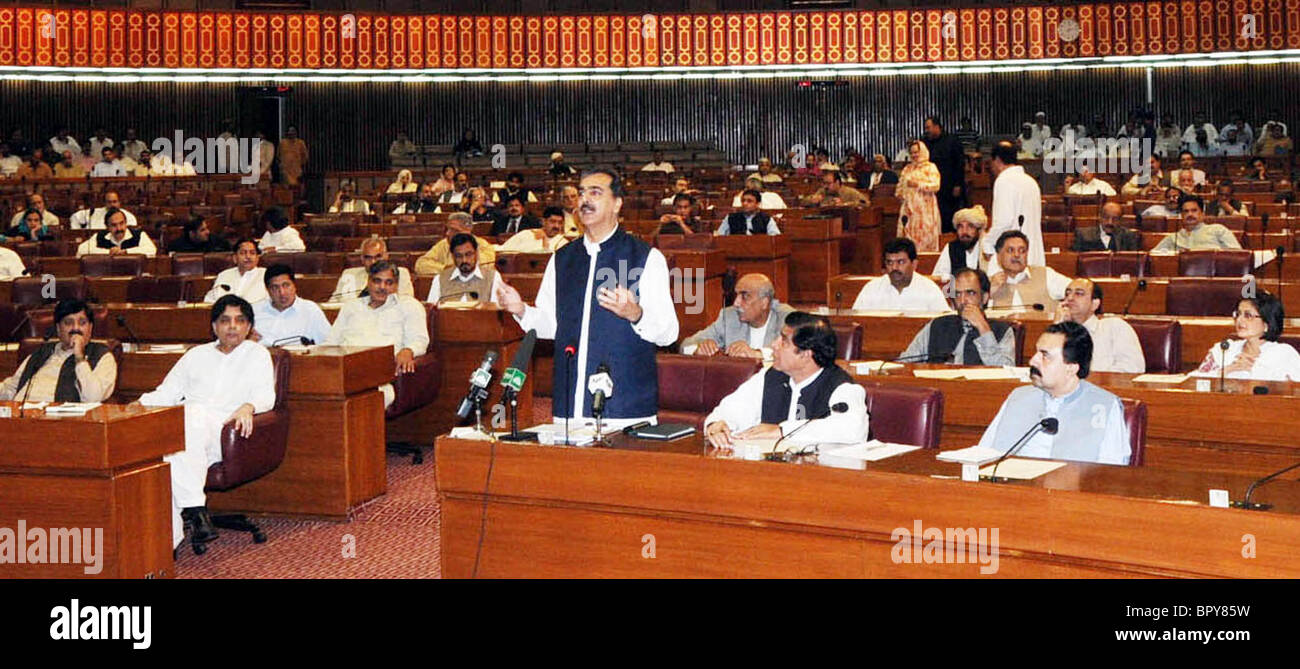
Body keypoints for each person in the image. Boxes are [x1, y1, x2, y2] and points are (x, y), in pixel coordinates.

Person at [496, 168, 679, 427]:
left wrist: (635, 314)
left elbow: (669, 333)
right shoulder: (562, 259)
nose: (584, 200)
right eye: (581, 193)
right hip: (570, 404)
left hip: (626, 404)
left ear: (617, 204)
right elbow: (551, 327)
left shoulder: (645, 257)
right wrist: (521, 310)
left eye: (595, 192)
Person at [137, 295, 277, 547]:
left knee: (187, 418)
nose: (232, 326)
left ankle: (193, 509)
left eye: (239, 320)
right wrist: (138, 405)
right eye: (225, 320)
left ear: (249, 326)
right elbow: (167, 392)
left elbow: (266, 395)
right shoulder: (196, 355)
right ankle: (168, 541)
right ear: (214, 327)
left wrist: (248, 406)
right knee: (165, 457)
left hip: (225, 431)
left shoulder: (257, 354)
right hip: (189, 433)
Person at [703, 312, 868, 450]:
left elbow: (854, 428)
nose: (774, 345)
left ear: (805, 354)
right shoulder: (770, 376)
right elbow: (732, 408)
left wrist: (782, 430)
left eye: (784, 341)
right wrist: (716, 425)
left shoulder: (841, 386)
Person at [977, 321, 1132, 465]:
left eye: (1045, 356)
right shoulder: (1018, 397)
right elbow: (984, 453)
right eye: (1036, 352)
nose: (1033, 361)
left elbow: (1112, 470)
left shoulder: (1104, 406)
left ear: (1071, 368)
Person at [323, 260, 430, 408]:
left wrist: (408, 350)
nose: (382, 287)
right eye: (377, 281)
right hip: (344, 372)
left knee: (363, 399)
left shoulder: (409, 306)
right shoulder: (351, 307)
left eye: (389, 282)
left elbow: (419, 340)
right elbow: (330, 343)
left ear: (396, 285)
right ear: (368, 282)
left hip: (379, 379)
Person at [0, 299, 117, 402]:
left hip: (61, 422)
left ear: (90, 328)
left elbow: (93, 397)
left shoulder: (102, 356)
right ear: (58, 329)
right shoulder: (41, 352)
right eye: (68, 323)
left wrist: (80, 358)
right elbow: (11, 388)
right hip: (21, 414)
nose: (75, 328)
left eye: (82, 323)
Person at [899, 268, 1015, 366]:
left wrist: (983, 328)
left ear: (984, 298)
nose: (963, 300)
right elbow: (906, 361)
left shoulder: (1002, 331)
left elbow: (1006, 369)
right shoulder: (937, 325)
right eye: (957, 294)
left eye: (970, 293)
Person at [682, 273, 794, 358]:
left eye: (745, 296)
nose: (736, 303)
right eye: (737, 295)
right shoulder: (730, 316)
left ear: (764, 302)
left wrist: (756, 354)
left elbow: (796, 352)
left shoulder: (787, 318)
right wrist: (697, 349)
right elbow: (685, 345)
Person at [1192, 293, 1300, 382]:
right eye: (1238, 314)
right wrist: (1227, 370)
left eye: (1248, 316)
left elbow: (1294, 390)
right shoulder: (1224, 349)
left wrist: (1254, 369)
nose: (1239, 320)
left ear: (1267, 324)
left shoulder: (1284, 354)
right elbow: (1192, 381)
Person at [1054, 278, 1145, 373]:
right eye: (1067, 294)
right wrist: (1057, 328)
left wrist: (1091, 380)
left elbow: (1133, 368)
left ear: (1095, 304)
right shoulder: (1062, 333)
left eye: (1079, 294)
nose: (1070, 298)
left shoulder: (1115, 327)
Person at [984, 140, 1044, 268]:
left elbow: (1004, 221)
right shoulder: (1031, 181)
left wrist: (988, 244)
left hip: (1013, 255)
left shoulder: (1004, 181)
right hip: (1032, 252)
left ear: (997, 160)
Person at [851, 238, 950, 313]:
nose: (894, 267)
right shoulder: (872, 288)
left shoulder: (929, 289)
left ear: (914, 264)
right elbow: (856, 321)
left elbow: (945, 322)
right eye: (889, 262)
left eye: (900, 262)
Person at [251, 265, 332, 347]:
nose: (282, 292)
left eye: (286, 285)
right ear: (267, 290)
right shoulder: (254, 311)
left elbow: (328, 344)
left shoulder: (310, 310)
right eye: (275, 287)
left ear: (294, 286)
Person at [988, 230, 1070, 311]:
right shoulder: (988, 283)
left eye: (1022, 251)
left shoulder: (1045, 275)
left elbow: (1077, 289)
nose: (1017, 255)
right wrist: (988, 294)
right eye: (1010, 250)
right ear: (998, 257)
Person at [426, 233, 504, 305]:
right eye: (459, 256)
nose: (464, 260)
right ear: (453, 256)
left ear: (476, 253)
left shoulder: (492, 277)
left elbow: (496, 312)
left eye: (468, 254)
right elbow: (432, 311)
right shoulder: (440, 279)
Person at [330, 238, 414, 302]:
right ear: (362, 259)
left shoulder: (401, 274)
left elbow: (407, 304)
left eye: (378, 257)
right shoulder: (349, 275)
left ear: (386, 256)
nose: (373, 262)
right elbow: (332, 304)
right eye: (368, 257)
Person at [1151, 195, 1242, 253]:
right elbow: (1154, 256)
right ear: (1181, 215)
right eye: (1186, 211)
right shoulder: (1173, 238)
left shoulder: (1218, 230)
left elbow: (1238, 255)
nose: (1190, 214)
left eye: (1194, 210)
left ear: (1202, 213)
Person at [922, 116, 967, 233]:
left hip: (949, 186)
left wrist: (958, 185)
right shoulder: (925, 143)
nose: (926, 131)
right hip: (932, 188)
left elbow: (959, 163)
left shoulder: (952, 141)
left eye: (928, 127)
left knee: (949, 218)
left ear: (937, 127)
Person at [414, 212, 497, 275]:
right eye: (448, 229)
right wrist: (445, 269)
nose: (447, 233)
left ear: (468, 230)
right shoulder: (444, 244)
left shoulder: (483, 246)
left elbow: (484, 266)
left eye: (454, 230)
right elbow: (420, 264)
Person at [897, 138, 942, 251]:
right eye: (912, 153)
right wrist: (901, 194)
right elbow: (899, 187)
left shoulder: (930, 167)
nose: (914, 155)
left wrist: (917, 184)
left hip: (925, 208)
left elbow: (935, 185)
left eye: (916, 152)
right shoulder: (907, 169)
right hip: (909, 209)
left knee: (926, 235)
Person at [933, 205, 989, 283]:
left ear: (979, 230)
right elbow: (939, 276)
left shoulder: (987, 249)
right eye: (960, 227)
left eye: (970, 227)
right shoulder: (951, 247)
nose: (964, 231)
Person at [204, 239, 268, 304]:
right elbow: (210, 301)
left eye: (252, 253)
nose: (248, 256)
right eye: (243, 253)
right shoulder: (224, 275)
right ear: (235, 258)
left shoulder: (266, 275)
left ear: (257, 258)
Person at [75, 208, 156, 257]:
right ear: (107, 227)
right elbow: (82, 250)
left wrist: (125, 252)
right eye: (114, 225)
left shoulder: (139, 234)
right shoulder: (100, 236)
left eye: (122, 223)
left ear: (126, 223)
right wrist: (109, 252)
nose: (119, 228)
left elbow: (151, 250)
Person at [1072, 202, 1142, 252]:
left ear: (1120, 220)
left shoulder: (1129, 236)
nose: (1110, 222)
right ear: (1100, 217)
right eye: (1106, 218)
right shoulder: (1083, 234)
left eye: (1115, 219)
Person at [497, 206, 570, 253]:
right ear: (543, 221)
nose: (556, 226)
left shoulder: (563, 243)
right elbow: (503, 249)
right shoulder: (527, 234)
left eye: (560, 223)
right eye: (553, 221)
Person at [69, 190, 138, 230]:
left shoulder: (129, 217)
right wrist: (79, 233)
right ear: (104, 203)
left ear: (119, 202)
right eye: (109, 202)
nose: (112, 205)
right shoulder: (93, 212)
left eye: (114, 202)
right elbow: (74, 217)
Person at [803, 169, 868, 208]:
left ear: (837, 182)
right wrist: (812, 200)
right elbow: (804, 202)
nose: (825, 186)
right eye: (824, 183)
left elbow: (866, 203)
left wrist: (845, 205)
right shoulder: (823, 191)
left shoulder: (849, 192)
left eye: (828, 183)